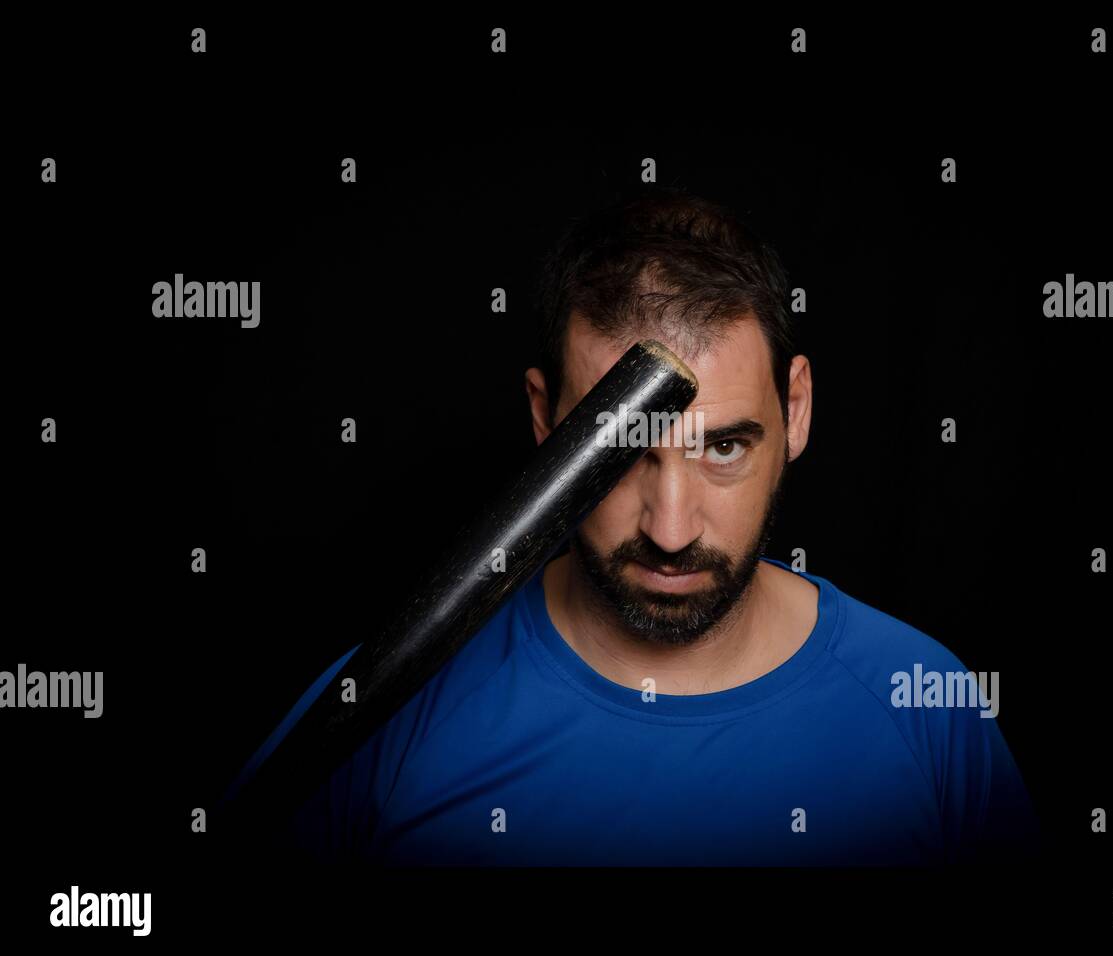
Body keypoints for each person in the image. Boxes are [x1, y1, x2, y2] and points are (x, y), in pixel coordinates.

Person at [224, 186, 1040, 866]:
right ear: (547, 422)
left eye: (723, 446)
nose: (673, 528)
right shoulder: (387, 699)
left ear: (796, 410)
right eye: (617, 454)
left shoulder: (927, 708)